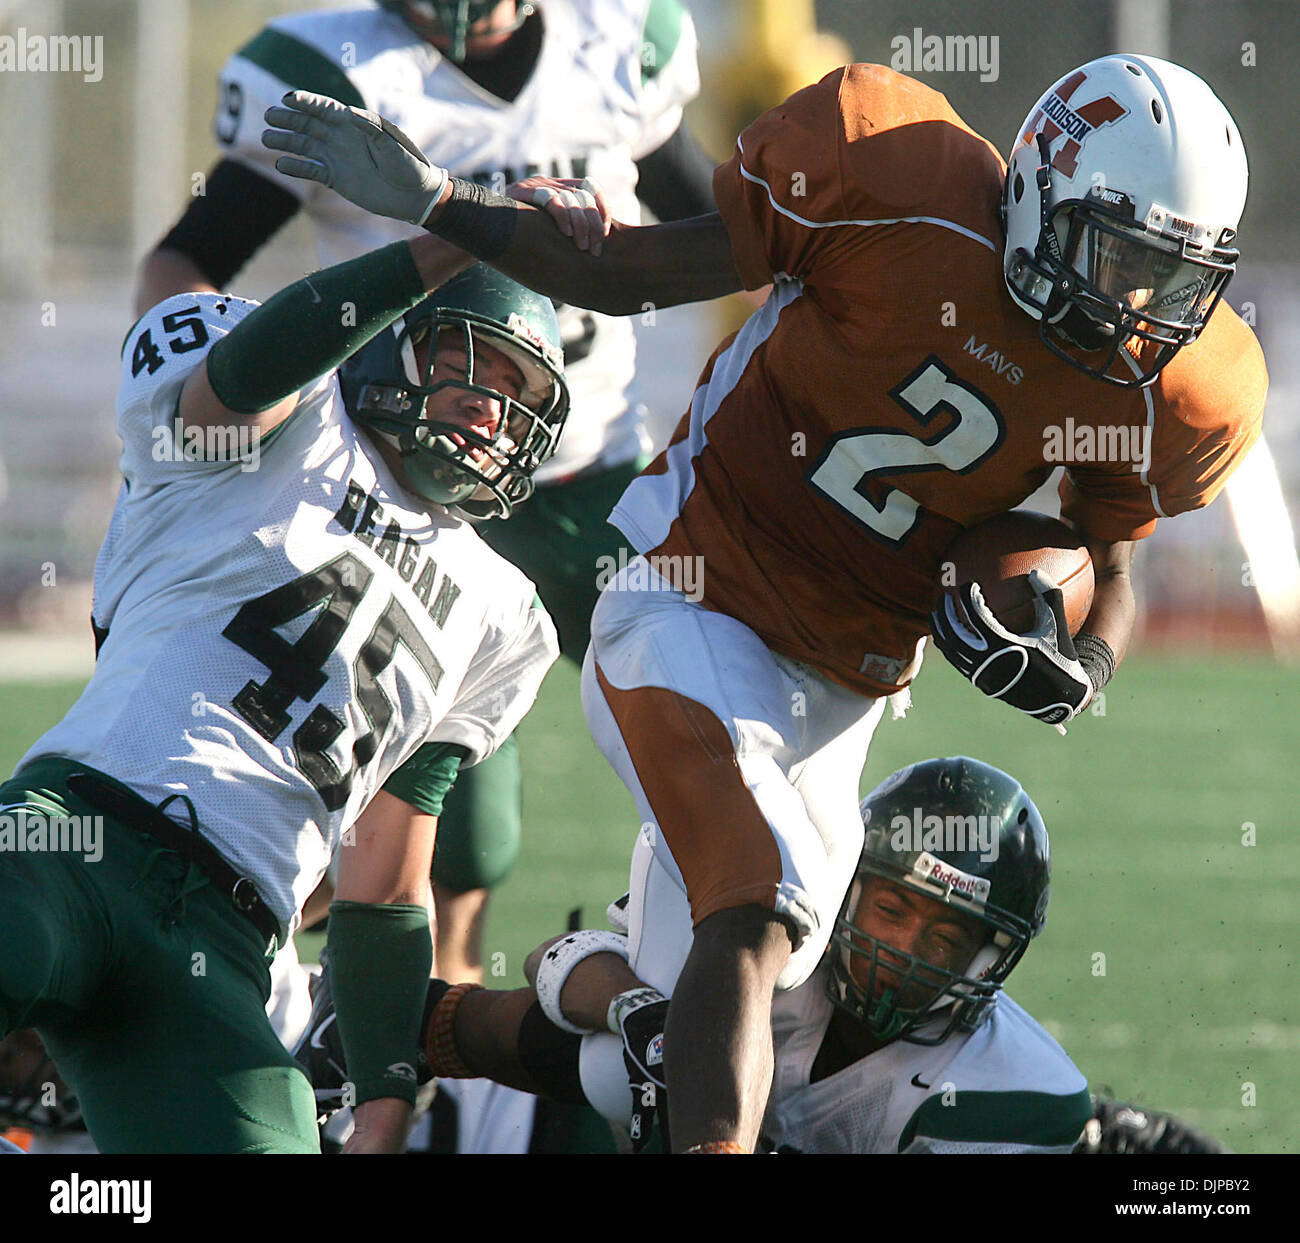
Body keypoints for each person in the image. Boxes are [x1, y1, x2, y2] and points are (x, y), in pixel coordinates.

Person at [262, 52, 1268, 1151]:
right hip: (694, 587)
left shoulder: (1176, 383)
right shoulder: (898, 182)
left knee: (674, 1042)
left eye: (1165, 278)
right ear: (1038, 187)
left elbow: (1107, 560)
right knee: (752, 909)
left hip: (848, 681)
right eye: (1112, 254)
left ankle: (397, 1029)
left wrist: (1083, 661)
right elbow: (628, 270)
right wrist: (441, 202)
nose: (1129, 302)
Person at [135, 0, 717, 987]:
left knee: (714, 715)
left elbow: (719, 234)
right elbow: (186, 258)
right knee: (435, 811)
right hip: (408, 479)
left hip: (592, 480)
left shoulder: (621, 43)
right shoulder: (337, 63)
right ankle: (387, 1016)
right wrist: (198, 393)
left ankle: (739, 968)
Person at [0, 227, 577, 1151]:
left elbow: (387, 880)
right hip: (78, 831)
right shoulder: (298, 412)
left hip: (229, 948)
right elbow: (230, 386)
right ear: (397, 339)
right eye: (473, 365)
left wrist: (386, 1097)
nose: (491, 411)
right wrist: (445, 238)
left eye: (519, 396)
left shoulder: (504, 615)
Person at [300, 758, 1098, 1152]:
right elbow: (556, 960)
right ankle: (404, 1023)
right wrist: (643, 1013)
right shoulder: (772, 935)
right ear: (848, 888)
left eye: (946, 938)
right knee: (636, 1057)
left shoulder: (1014, 1090)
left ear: (989, 960)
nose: (904, 950)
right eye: (891, 909)